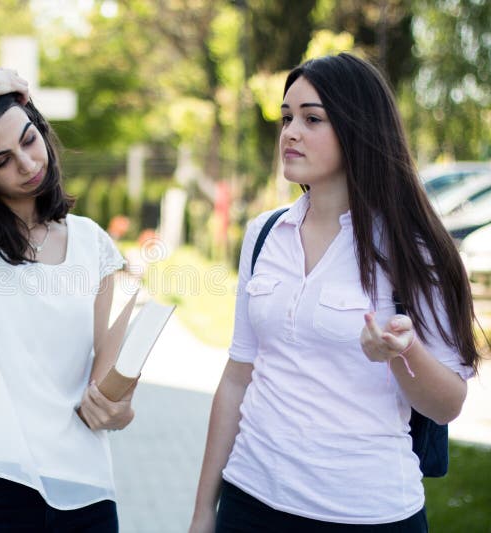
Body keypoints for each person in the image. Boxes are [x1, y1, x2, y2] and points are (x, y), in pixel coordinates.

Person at [189, 53, 484, 532]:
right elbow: (237, 378)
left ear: (356, 128)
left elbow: (448, 403)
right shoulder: (264, 233)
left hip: (367, 514)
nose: (290, 132)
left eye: (311, 119)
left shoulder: (415, 249)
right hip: (250, 502)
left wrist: (401, 352)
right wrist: (204, 512)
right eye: (286, 118)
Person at [0, 67, 134, 532]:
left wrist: (117, 408)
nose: (28, 165)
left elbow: (112, 379)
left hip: (84, 492)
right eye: (1, 161)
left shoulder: (95, 246)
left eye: (29, 141)